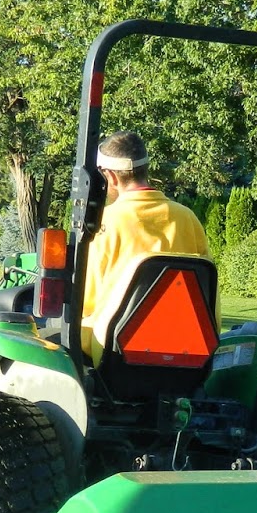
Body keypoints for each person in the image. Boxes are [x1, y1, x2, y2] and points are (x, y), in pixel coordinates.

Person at [80, 131, 211, 363]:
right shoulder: (188, 219)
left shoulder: (105, 223)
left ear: (110, 177)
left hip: (114, 355)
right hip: (187, 353)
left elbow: (85, 300)